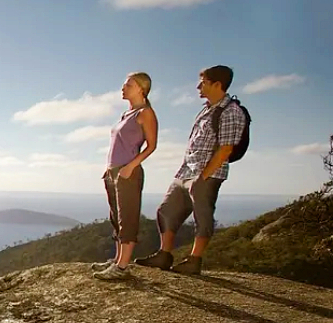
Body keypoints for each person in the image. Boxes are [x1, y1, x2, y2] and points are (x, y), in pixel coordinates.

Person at [135, 65, 248, 275]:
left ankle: (194, 260)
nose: (198, 86)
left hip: (207, 174)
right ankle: (164, 255)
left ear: (217, 84)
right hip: (186, 172)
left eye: (203, 82)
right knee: (165, 210)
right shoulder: (206, 109)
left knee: (202, 217)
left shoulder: (232, 112)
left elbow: (226, 148)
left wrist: (203, 177)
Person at [94, 72, 159, 280]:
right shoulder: (126, 114)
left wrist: (131, 166)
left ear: (141, 88)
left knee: (127, 218)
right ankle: (117, 259)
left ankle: (122, 267)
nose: (123, 88)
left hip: (127, 171)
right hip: (113, 171)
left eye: (128, 85)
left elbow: (152, 145)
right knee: (116, 217)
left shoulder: (146, 113)